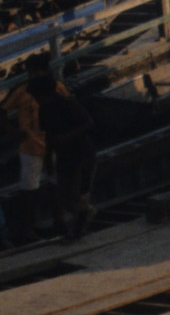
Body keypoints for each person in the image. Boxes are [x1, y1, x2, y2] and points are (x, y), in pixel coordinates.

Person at [0, 54, 70, 242]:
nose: (32, 76)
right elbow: (3, 111)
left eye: (34, 72)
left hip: (53, 144)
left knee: (55, 184)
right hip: (30, 146)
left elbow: (69, 109)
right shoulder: (22, 91)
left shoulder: (58, 88)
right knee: (29, 189)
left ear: (44, 71)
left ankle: (58, 220)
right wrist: (12, 132)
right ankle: (27, 229)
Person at [30, 73, 97, 239]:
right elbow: (48, 136)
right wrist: (48, 159)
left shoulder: (67, 103)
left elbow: (88, 122)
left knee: (77, 194)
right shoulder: (44, 111)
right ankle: (80, 221)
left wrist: (67, 137)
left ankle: (79, 226)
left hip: (81, 153)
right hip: (64, 156)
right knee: (65, 196)